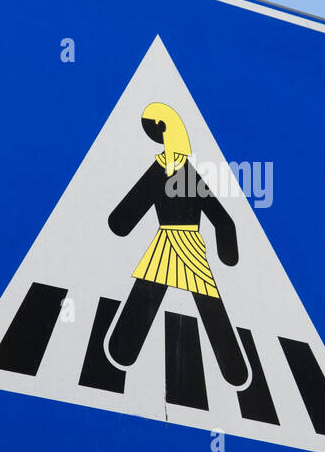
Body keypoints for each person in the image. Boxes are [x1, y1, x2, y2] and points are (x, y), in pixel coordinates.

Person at [106, 102, 249, 387]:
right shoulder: (173, 171)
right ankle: (122, 351)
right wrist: (226, 245)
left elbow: (217, 213)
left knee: (166, 292)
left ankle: (234, 369)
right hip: (177, 242)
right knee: (159, 293)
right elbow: (133, 208)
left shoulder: (179, 171)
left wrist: (227, 245)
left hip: (179, 244)